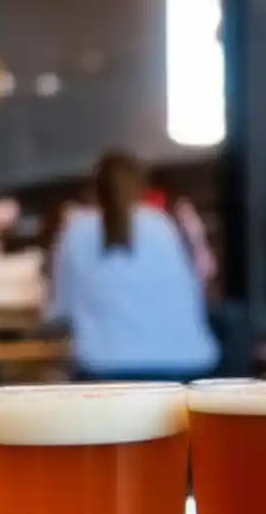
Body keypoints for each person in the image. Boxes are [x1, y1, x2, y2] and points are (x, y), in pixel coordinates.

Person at [49, 151, 218, 381]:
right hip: (187, 365)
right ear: (142, 186)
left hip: (106, 369)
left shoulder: (76, 229)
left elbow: (59, 311)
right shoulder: (164, 224)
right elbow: (199, 285)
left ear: (93, 188)